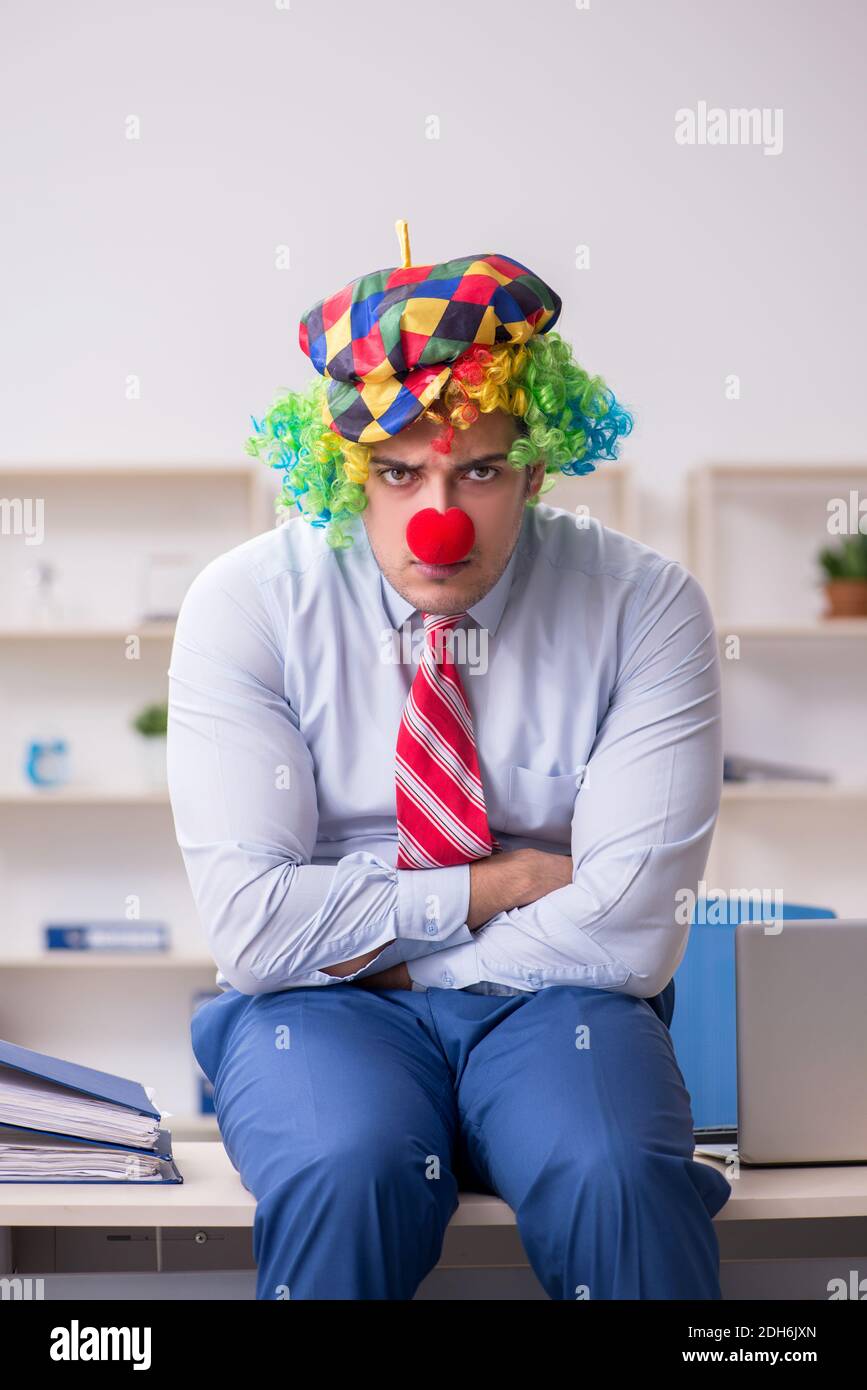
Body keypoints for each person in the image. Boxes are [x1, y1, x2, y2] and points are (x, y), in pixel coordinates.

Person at [167, 225, 732, 1300]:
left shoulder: (646, 605)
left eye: (480, 469)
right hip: (322, 1012)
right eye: (397, 471)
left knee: (615, 1173)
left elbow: (628, 929)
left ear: (538, 461)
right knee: (348, 1166)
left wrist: (389, 946)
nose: (440, 522)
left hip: (556, 1001)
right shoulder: (247, 605)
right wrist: (493, 887)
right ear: (343, 471)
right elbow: (251, 930)